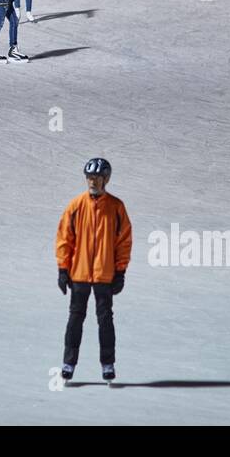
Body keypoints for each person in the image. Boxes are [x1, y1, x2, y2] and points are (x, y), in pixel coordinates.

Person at [55, 157, 131, 381]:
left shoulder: (116, 207)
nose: (92, 182)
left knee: (105, 319)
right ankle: (68, 362)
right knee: (75, 318)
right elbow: (64, 238)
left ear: (106, 179)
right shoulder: (76, 205)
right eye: (89, 177)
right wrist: (63, 268)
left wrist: (120, 271)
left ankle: (108, 364)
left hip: (104, 275)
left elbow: (123, 241)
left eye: (97, 178)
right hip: (79, 273)